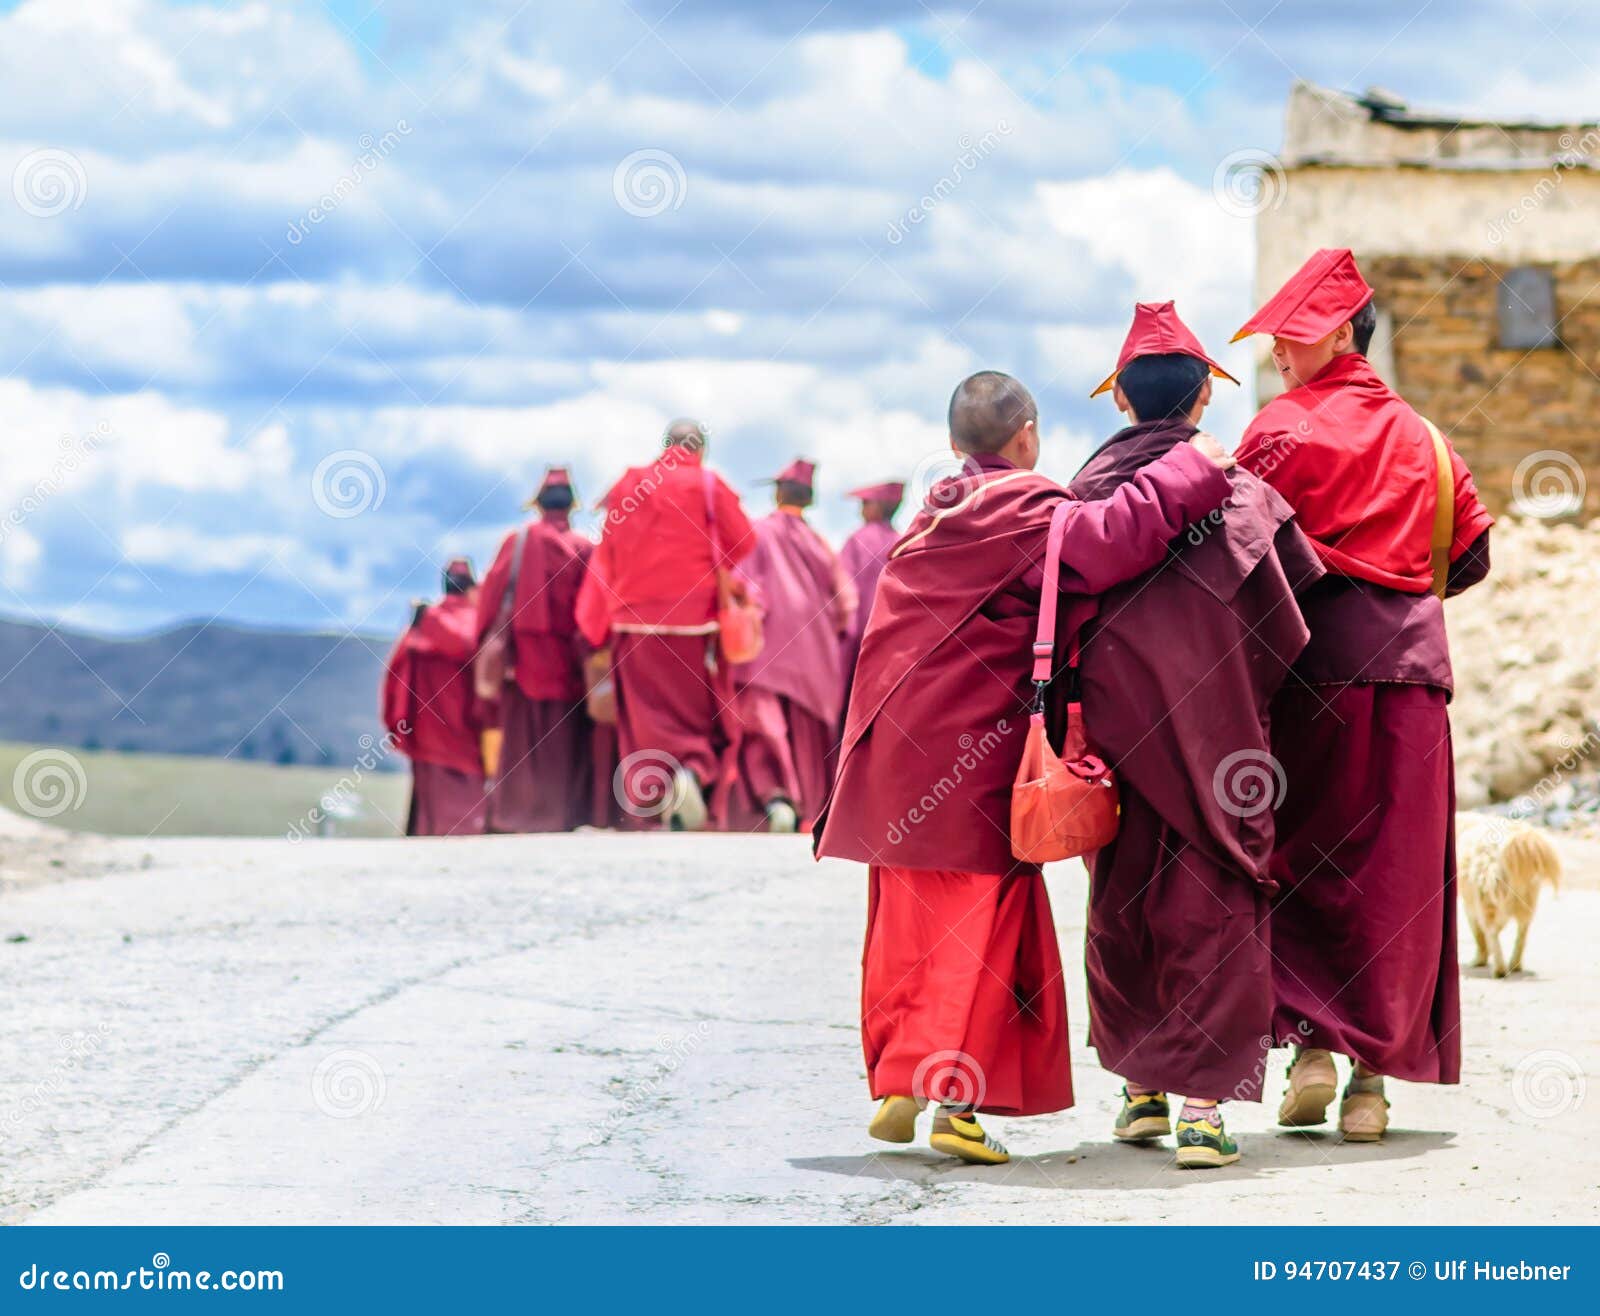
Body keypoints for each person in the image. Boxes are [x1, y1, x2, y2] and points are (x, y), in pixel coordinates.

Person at [814, 370, 1236, 1165]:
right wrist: (1196, 466)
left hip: (892, 755)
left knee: (909, 926)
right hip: (966, 758)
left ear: (953, 448)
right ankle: (954, 1104)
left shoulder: (929, 516)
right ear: (1028, 437)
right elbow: (1113, 539)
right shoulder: (1025, 508)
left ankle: (904, 1079)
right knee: (983, 925)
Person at [1232, 249, 1493, 1142]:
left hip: (1309, 670)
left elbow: (1239, 555)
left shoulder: (1279, 428)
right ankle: (1371, 1083)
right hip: (1415, 676)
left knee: (1304, 855)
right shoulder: (1428, 438)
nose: (1277, 355)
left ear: (1342, 331)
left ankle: (1308, 1048)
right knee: (1397, 878)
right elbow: (1470, 557)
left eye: (1290, 338)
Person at [1069, 301, 1324, 1169]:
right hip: (1222, 748)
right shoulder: (1243, 492)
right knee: (1212, 908)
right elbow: (1292, 625)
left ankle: (1140, 1093)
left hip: (1116, 743)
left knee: (1124, 900)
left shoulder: (1084, 493)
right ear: (1203, 402)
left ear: (1121, 403)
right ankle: (1202, 1112)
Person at [576, 420, 754, 830]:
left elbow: (607, 555)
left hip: (633, 622)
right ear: (701, 450)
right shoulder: (709, 485)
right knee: (695, 710)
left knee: (645, 715)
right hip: (696, 623)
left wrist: (600, 621)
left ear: (666, 445)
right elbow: (744, 542)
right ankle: (691, 767)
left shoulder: (628, 485)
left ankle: (662, 792)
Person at [724, 460, 855, 832]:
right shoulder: (820, 543)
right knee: (807, 736)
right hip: (816, 659)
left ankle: (776, 796)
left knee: (763, 727)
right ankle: (809, 809)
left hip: (765, 653)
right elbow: (846, 605)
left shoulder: (758, 532)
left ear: (778, 492)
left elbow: (742, 586)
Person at [475, 467, 594, 833]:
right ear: (572, 505)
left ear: (538, 504)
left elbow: (491, 600)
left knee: (521, 740)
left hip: (523, 663)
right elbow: (592, 610)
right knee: (564, 738)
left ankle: (517, 816)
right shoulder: (585, 548)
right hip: (568, 662)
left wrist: (486, 641)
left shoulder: (518, 541)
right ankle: (561, 815)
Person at [381, 558, 490, 837]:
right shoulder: (479, 621)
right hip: (467, 729)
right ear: (471, 586)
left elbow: (395, 676)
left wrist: (396, 723)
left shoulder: (422, 623)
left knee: (433, 798)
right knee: (467, 792)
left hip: (427, 731)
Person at [837, 481, 903, 708]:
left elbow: (841, 589)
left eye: (865, 503)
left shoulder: (857, 539)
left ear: (880, 506)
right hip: (891, 639)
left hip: (855, 637)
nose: (861, 509)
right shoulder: (903, 542)